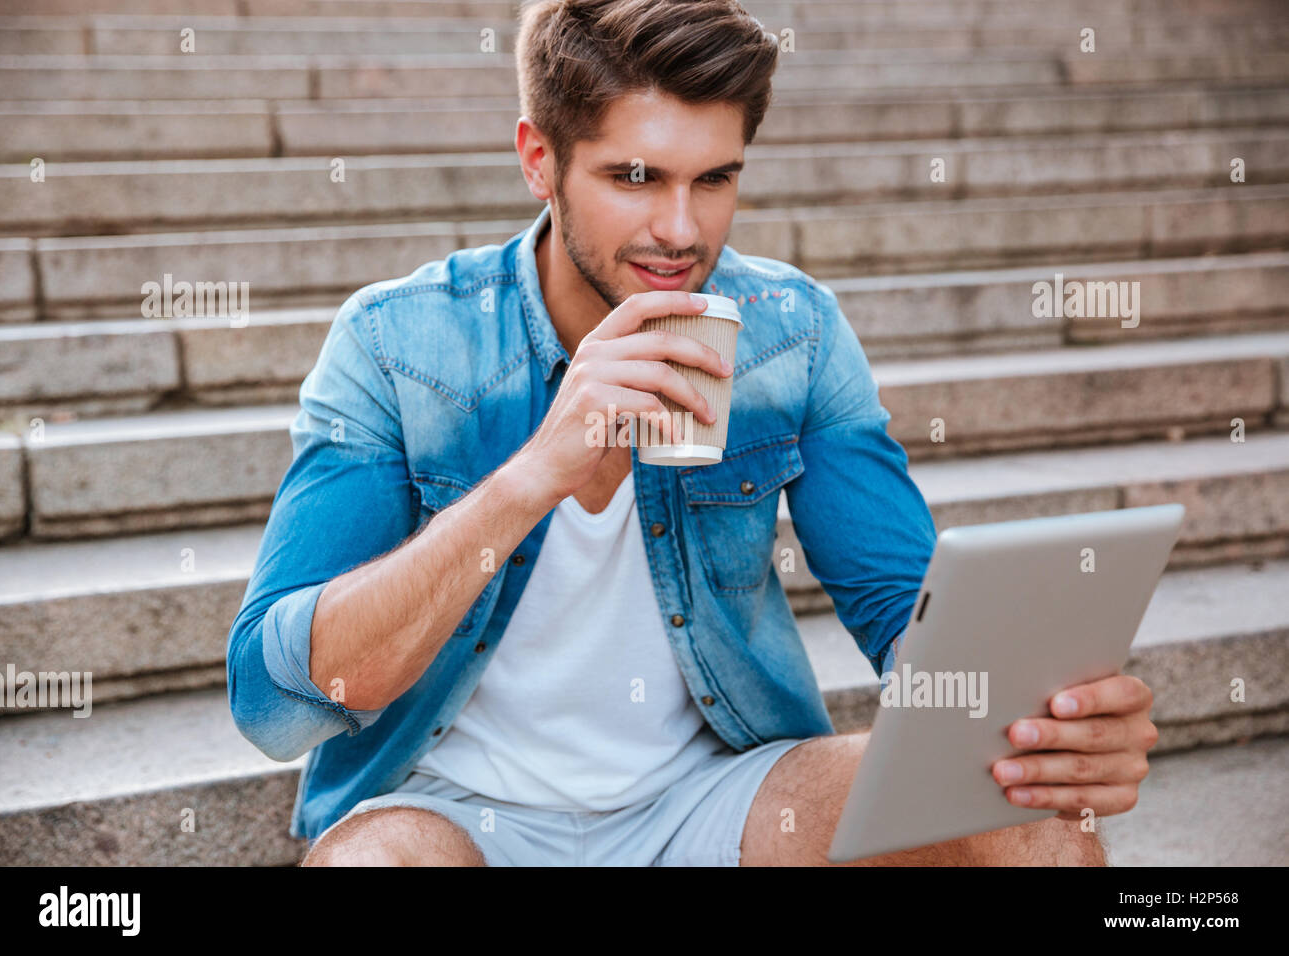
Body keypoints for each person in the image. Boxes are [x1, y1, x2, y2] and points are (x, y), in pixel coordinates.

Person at [226, 0, 1156, 866]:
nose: (680, 230)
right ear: (538, 159)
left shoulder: (791, 331)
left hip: (715, 796)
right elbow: (274, 706)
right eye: (635, 177)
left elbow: (904, 618)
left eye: (714, 178)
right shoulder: (400, 343)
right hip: (449, 810)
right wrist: (533, 475)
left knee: (1030, 820)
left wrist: (1047, 727)